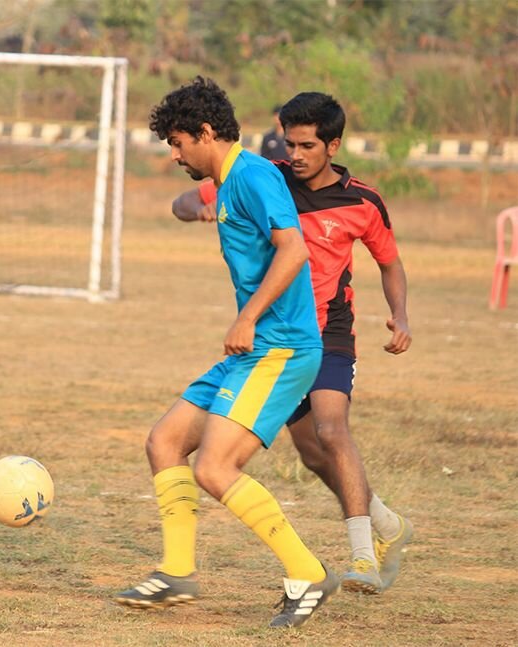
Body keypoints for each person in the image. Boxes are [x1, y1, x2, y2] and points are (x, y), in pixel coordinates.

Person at [114, 77, 338, 629]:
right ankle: (177, 571)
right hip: (255, 350)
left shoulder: (254, 176)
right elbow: (187, 206)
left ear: (205, 132)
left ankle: (308, 572)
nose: (174, 155)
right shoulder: (229, 180)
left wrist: (247, 316)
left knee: (214, 467)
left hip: (282, 349)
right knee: (165, 442)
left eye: (177, 143)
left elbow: (294, 250)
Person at [174, 92, 414, 595]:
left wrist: (400, 314)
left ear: (333, 145)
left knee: (331, 429)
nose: (296, 155)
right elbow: (188, 199)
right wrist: (196, 207)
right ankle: (387, 523)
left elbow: (390, 263)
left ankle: (363, 556)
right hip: (276, 339)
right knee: (311, 453)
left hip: (328, 333)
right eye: (290, 144)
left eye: (308, 146)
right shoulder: (267, 178)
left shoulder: (363, 202)